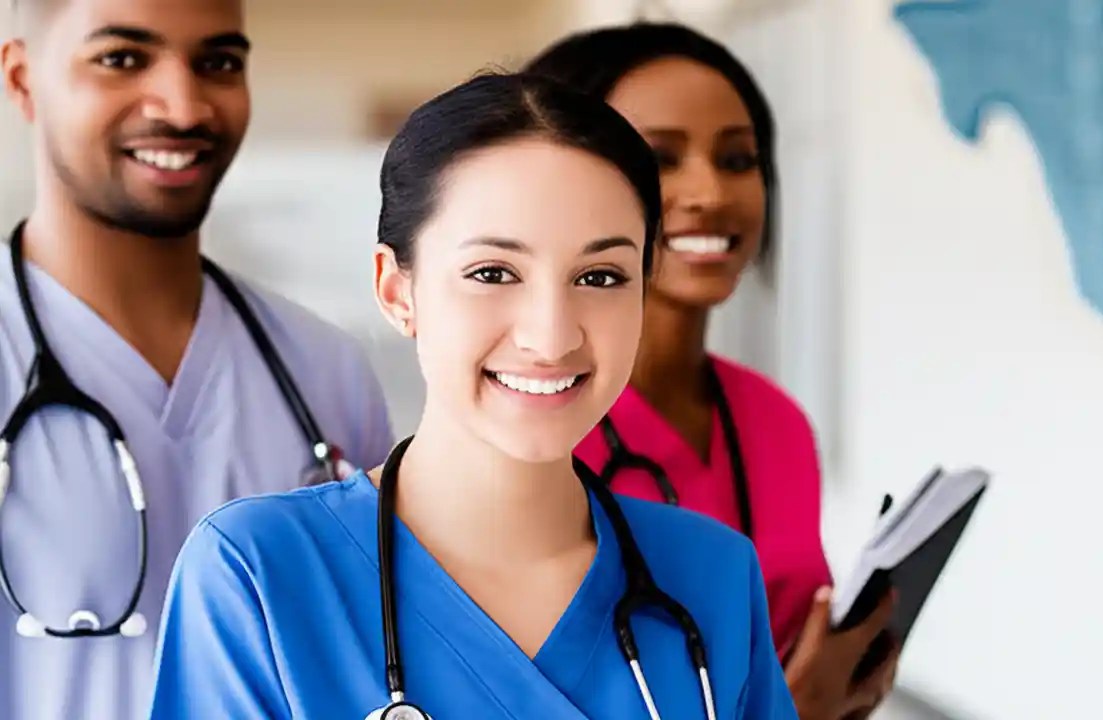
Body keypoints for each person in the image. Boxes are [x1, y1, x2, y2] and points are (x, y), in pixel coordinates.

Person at [146, 71, 797, 719]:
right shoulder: (259, 573)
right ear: (399, 292)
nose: (551, 336)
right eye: (493, 273)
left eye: (600, 276)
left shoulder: (713, 578)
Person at [0, 0, 393, 717]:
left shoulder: (326, 371)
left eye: (218, 63)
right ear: (23, 80)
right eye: (122, 58)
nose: (183, 106)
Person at [525, 22, 899, 720]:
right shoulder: (532, 431)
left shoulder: (774, 421)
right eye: (660, 158)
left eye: (737, 159)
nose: (710, 192)